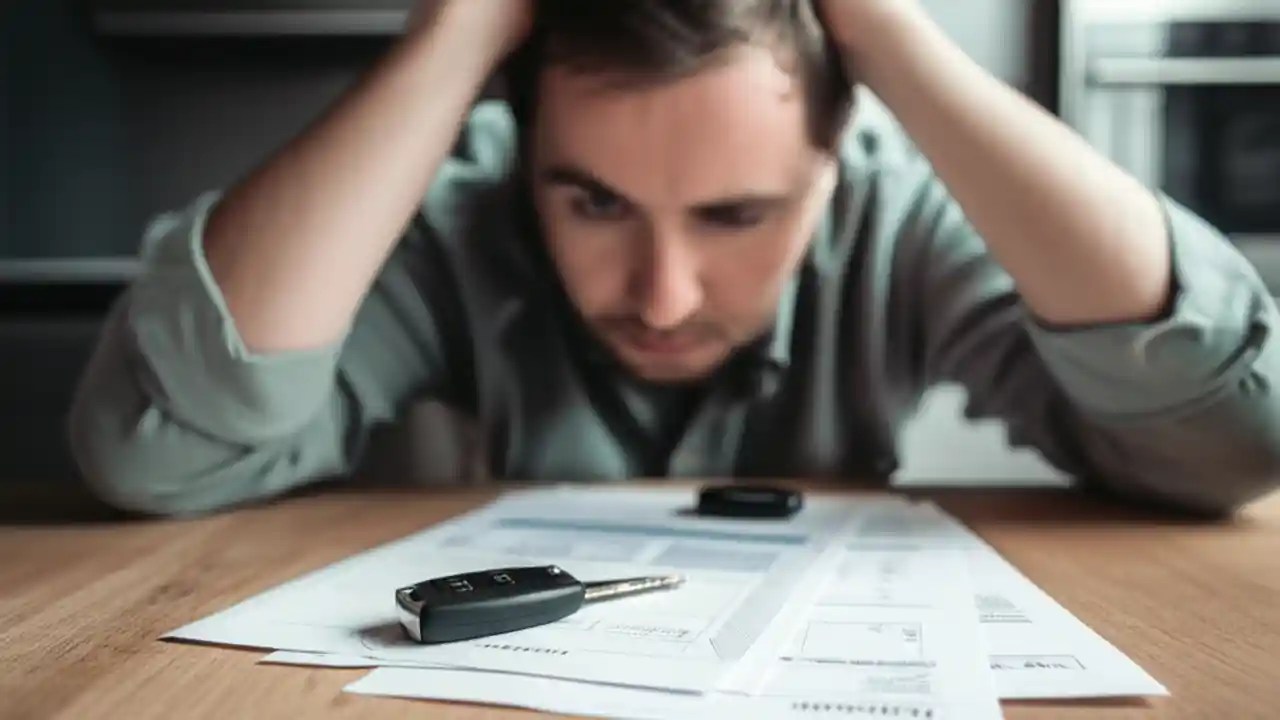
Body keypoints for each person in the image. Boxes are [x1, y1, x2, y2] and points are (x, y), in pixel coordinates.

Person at [68, 0, 1280, 518]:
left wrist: (890, 39)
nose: (660, 297)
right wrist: (457, 34)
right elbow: (156, 452)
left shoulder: (895, 214)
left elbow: (1231, 445)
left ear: (835, 160)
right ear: (521, 151)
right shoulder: (460, 211)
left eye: (736, 216)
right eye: (592, 203)